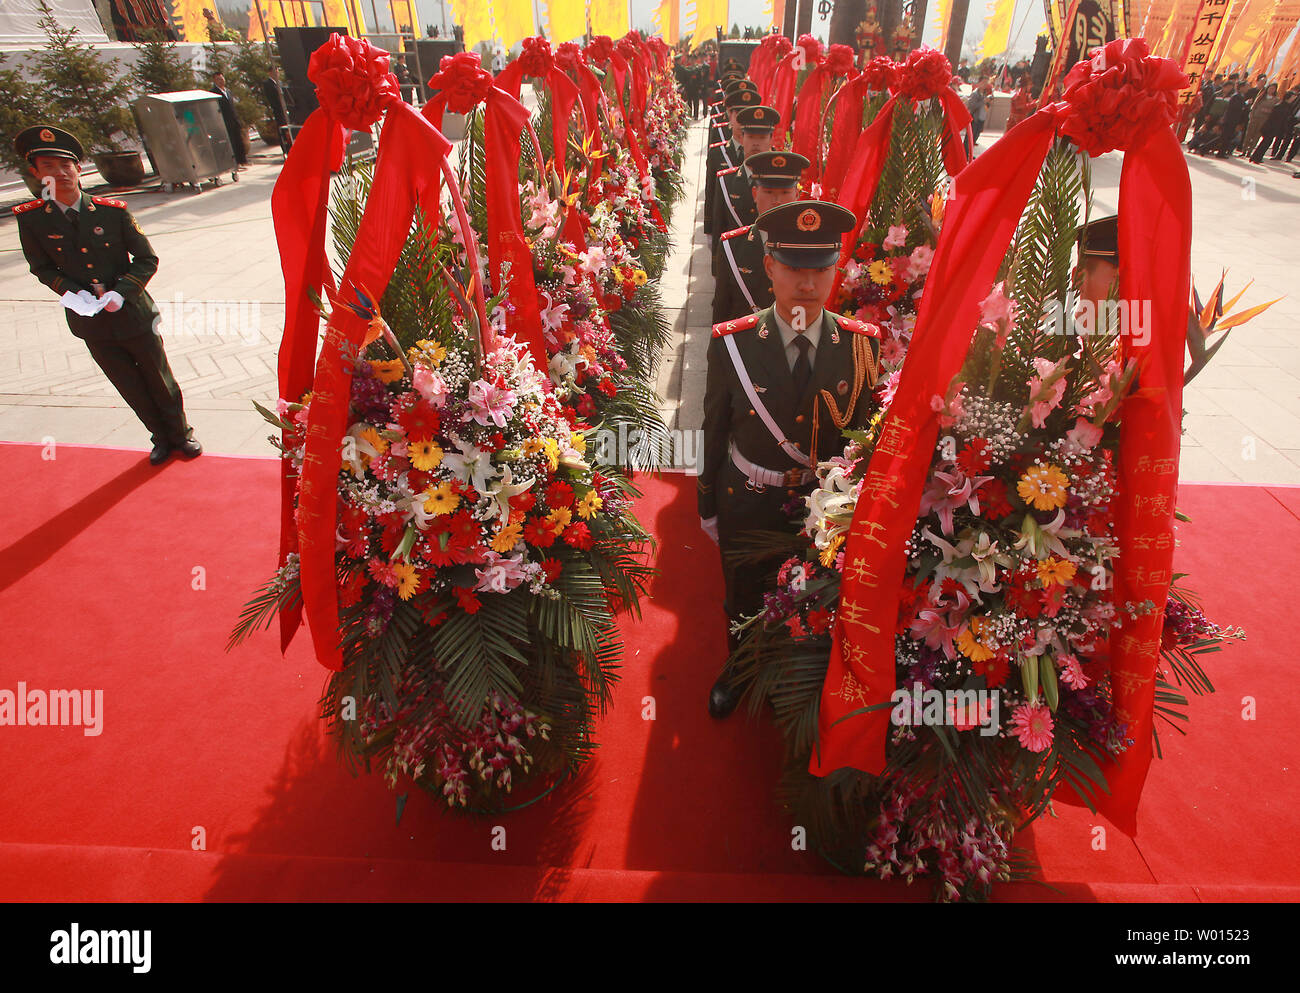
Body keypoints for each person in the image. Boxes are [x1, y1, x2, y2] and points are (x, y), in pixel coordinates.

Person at [699, 201, 882, 718]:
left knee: (815, 595)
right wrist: (707, 501)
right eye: (794, 268)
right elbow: (714, 428)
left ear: (836, 270)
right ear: (770, 266)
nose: (807, 283)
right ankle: (739, 669)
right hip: (749, 495)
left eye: (820, 269)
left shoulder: (861, 347)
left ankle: (803, 680)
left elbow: (866, 440)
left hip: (822, 508)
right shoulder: (732, 345)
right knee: (743, 592)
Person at [13, 126, 201, 465]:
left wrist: (123, 291)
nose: (60, 173)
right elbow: (41, 268)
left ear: (78, 168)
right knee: (128, 383)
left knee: (159, 379)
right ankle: (159, 438)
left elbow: (147, 259)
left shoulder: (112, 212)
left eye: (66, 165)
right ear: (36, 173)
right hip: (90, 321)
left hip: (133, 314)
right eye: (49, 166)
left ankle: (180, 435)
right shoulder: (32, 221)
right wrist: (73, 292)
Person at [711, 150, 809, 324]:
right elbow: (722, 311)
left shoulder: (812, 248)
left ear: (797, 196)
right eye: (769, 192)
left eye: (785, 193)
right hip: (746, 347)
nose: (777, 200)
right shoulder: (732, 246)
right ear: (755, 194)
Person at [710, 104, 776, 239]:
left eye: (762, 138)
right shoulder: (726, 180)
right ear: (742, 138)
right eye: (751, 137)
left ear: (771, 140)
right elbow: (719, 227)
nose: (756, 143)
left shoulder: (781, 181)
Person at [209, 71, 248, 168]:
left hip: (234, 120)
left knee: (238, 141)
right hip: (225, 122)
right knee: (231, 143)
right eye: (218, 79)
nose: (221, 81)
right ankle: (234, 163)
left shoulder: (228, 91)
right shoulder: (213, 93)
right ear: (214, 80)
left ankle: (242, 161)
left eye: (222, 79)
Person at [1244, 82, 1279, 159]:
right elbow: (1254, 106)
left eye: (1273, 89)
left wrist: (1267, 111)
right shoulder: (1261, 96)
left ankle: (1250, 151)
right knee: (1249, 134)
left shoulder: (1276, 100)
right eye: (1270, 88)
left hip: (1264, 120)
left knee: (1257, 135)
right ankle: (1244, 150)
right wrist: (1252, 114)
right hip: (1255, 117)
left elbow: (1274, 111)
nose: (1271, 90)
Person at [261, 64, 291, 153]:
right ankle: (285, 149)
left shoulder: (280, 83)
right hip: (278, 110)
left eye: (277, 72)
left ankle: (290, 147)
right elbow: (272, 99)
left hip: (286, 110)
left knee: (288, 131)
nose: (277, 74)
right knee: (282, 131)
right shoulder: (268, 84)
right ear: (270, 73)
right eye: (275, 72)